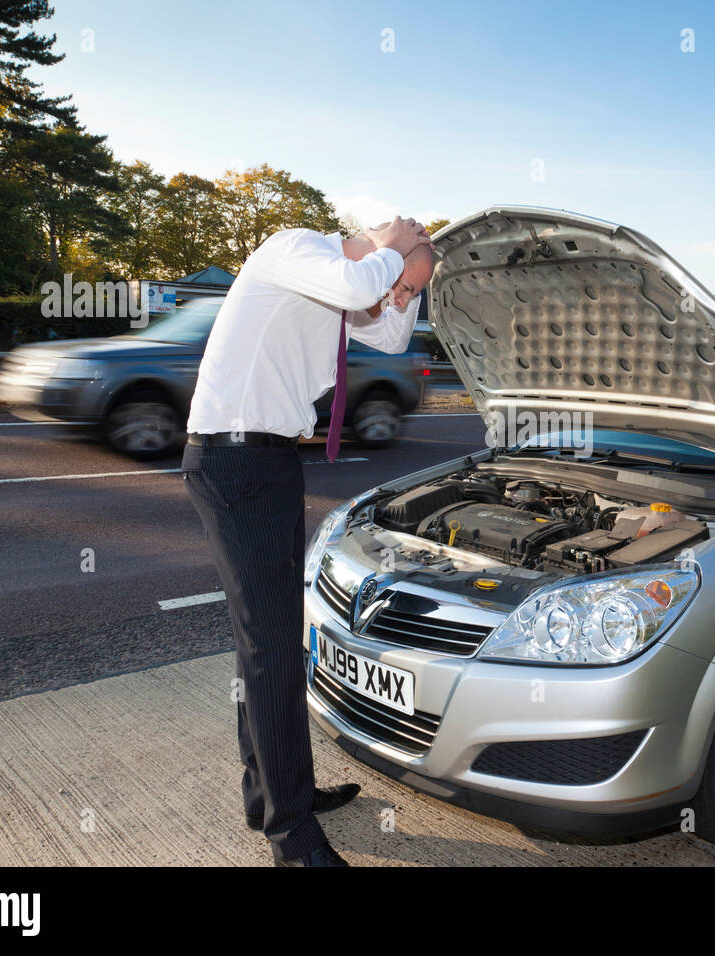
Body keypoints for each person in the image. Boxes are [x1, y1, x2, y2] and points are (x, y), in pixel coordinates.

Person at [184, 217, 434, 866]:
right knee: (272, 650)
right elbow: (359, 284)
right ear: (378, 246)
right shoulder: (296, 249)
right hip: (235, 462)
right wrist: (391, 253)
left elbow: (384, 332)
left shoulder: (346, 292)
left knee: (265, 642)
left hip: (265, 463)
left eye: (410, 289)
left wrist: (405, 292)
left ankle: (267, 794)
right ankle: (293, 839)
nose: (397, 293)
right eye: (404, 281)